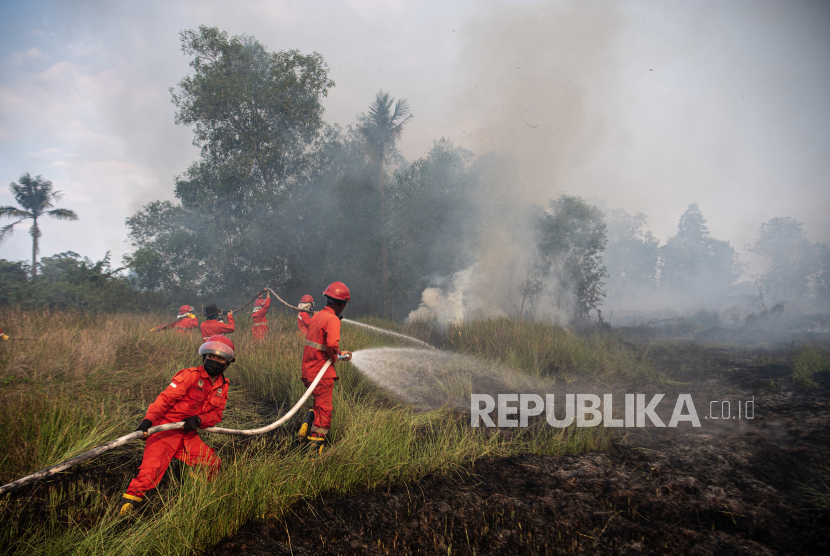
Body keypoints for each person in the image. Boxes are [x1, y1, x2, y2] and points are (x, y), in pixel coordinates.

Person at [118, 335, 234, 516]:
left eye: (220, 358)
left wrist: (198, 420)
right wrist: (148, 420)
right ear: (204, 357)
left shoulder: (223, 386)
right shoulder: (189, 376)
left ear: (227, 363)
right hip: (165, 432)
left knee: (212, 464)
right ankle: (124, 514)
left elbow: (216, 414)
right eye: (211, 356)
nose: (215, 361)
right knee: (148, 476)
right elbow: (164, 400)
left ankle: (191, 493)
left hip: (188, 435)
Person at [300, 282, 352, 457]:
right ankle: (314, 455)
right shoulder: (333, 319)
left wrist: (339, 353)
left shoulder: (317, 316)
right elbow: (330, 344)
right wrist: (335, 357)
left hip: (309, 372)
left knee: (318, 406)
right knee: (324, 413)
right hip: (321, 374)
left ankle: (307, 422)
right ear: (340, 303)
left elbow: (321, 343)